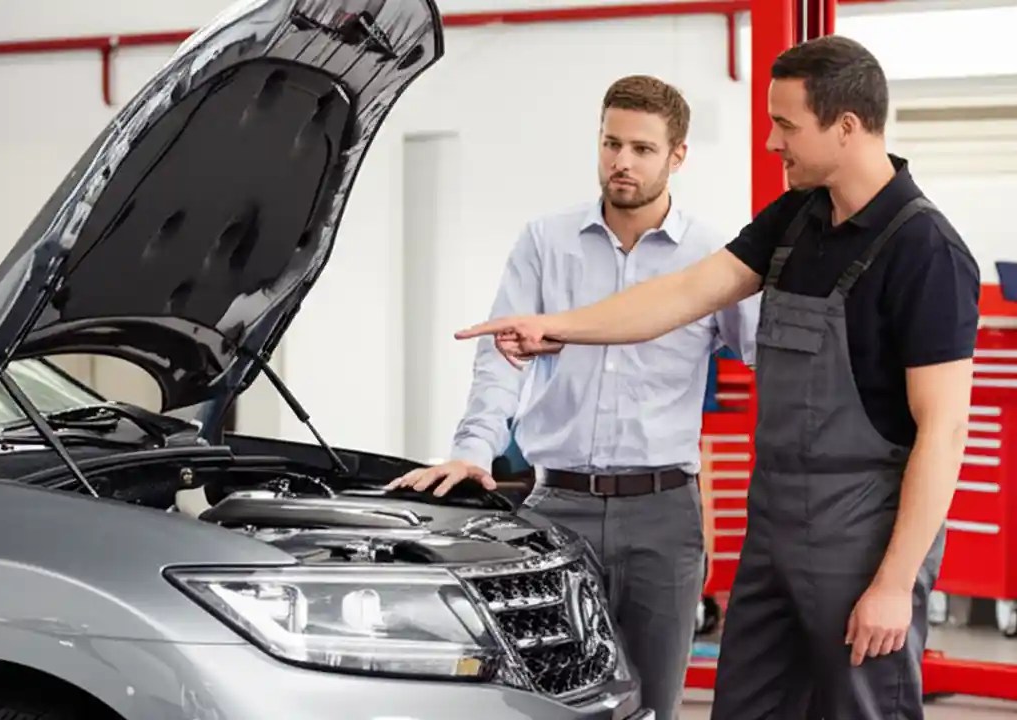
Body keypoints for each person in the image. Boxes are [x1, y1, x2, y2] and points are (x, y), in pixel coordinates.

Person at [452, 36, 980, 720]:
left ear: (846, 127)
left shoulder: (926, 251)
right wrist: (554, 328)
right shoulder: (797, 219)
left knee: (862, 708)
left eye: (786, 125)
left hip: (861, 532)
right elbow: (681, 294)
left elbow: (945, 430)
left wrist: (894, 583)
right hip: (775, 524)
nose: (771, 141)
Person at [388, 74, 758, 719]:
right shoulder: (546, 241)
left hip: (662, 514)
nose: (621, 161)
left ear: (677, 156)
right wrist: (474, 449)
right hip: (557, 506)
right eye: (611, 143)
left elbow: (766, 355)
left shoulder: (711, 257)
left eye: (642, 149)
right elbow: (500, 358)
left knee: (653, 704)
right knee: (544, 700)